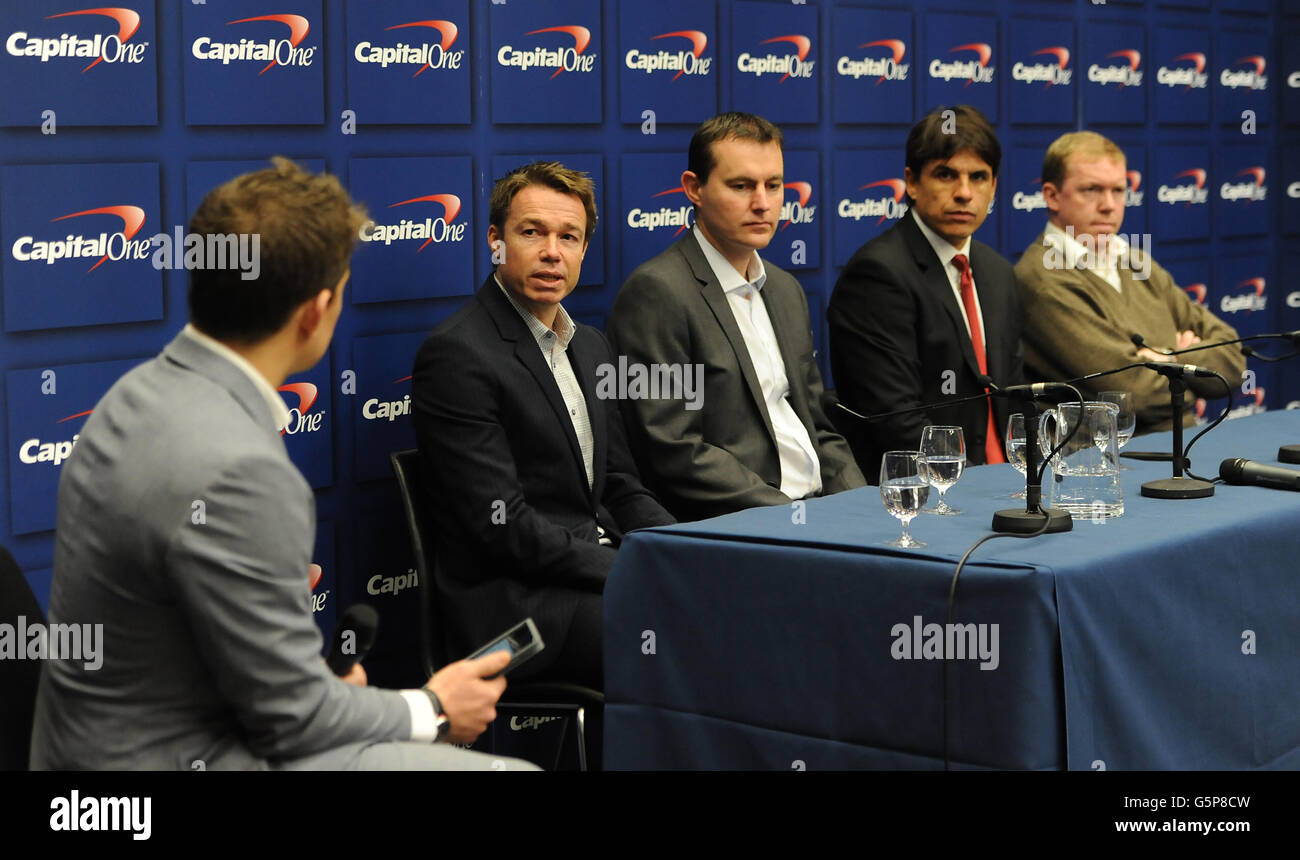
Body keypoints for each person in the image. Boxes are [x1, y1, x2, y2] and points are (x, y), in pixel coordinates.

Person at [31, 158, 527, 770]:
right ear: (315, 313)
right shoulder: (242, 474)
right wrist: (432, 707)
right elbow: (295, 723)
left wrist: (313, 688)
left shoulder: (131, 394)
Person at [412, 162, 674, 692]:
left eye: (568, 237)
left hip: (592, 578)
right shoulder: (458, 354)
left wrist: (683, 551)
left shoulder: (592, 345)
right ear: (495, 241)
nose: (551, 251)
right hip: (515, 611)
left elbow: (621, 486)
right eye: (531, 232)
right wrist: (624, 567)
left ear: (582, 250)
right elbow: (500, 526)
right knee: (684, 635)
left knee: (734, 605)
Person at [607, 112, 864, 521]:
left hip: (818, 515)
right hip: (744, 526)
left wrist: (859, 505)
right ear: (694, 189)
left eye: (774, 185)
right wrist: (795, 516)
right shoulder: (656, 293)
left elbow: (820, 427)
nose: (762, 203)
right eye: (741, 186)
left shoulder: (785, 289)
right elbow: (673, 448)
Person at [828, 105, 1023, 478]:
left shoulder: (999, 273)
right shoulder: (878, 274)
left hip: (1009, 486)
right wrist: (979, 485)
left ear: (994, 187)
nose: (964, 193)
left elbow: (1012, 399)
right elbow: (896, 422)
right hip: (927, 491)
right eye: (946, 175)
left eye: (978, 177)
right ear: (912, 183)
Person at [1015, 131, 1245, 432]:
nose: (1108, 205)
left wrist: (1168, 356)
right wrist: (1192, 371)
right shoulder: (1042, 278)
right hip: (1105, 464)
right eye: (1091, 190)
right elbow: (1134, 393)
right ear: (1052, 196)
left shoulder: (1137, 261)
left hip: (1181, 447)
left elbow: (1234, 360)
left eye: (1118, 190)